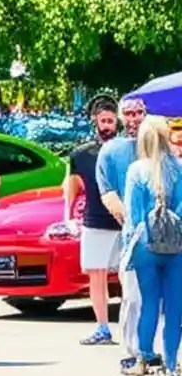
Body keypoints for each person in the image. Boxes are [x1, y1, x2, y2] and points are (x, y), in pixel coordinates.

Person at [125, 116, 182, 376]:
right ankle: (171, 365)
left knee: (149, 303)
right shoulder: (179, 169)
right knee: (174, 306)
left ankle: (144, 358)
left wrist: (129, 250)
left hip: (145, 246)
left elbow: (133, 217)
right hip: (176, 248)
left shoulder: (136, 170)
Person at [96, 97, 149, 374]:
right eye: (127, 113)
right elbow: (107, 193)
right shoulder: (111, 151)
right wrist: (132, 221)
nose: (133, 119)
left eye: (138, 113)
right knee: (132, 296)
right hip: (133, 235)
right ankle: (130, 352)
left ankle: (153, 351)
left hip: (165, 235)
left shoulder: (158, 148)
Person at [64, 96, 122, 345]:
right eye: (103, 121)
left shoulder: (127, 149)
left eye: (111, 120)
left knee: (129, 277)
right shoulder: (81, 154)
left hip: (124, 221)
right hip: (95, 221)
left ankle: (133, 328)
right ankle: (102, 328)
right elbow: (71, 186)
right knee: (96, 276)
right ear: (95, 121)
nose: (107, 125)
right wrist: (67, 216)